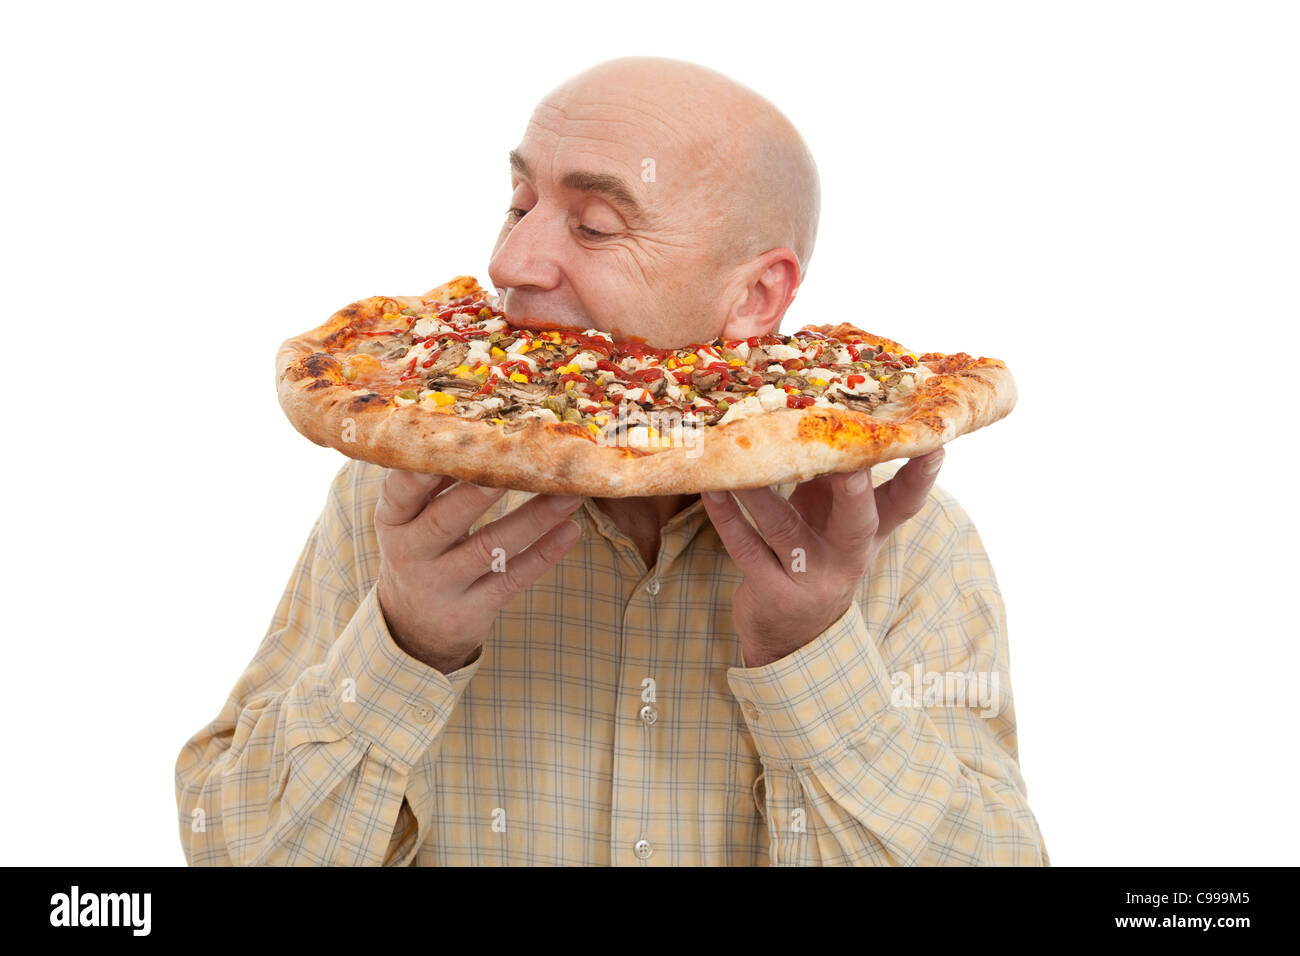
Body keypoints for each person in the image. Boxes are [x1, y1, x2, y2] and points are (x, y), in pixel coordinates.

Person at [175, 56, 1049, 866]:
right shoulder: (406, 497)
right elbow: (229, 845)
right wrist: (405, 644)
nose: (509, 262)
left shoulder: (906, 542)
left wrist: (810, 649)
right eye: (519, 207)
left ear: (756, 295)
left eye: (593, 226)